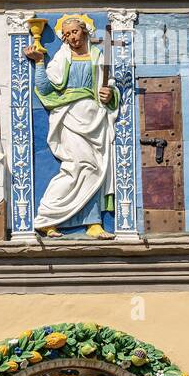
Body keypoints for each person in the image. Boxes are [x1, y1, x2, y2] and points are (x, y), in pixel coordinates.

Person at [24, 14, 118, 239]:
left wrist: (109, 95)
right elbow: (45, 88)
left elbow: (110, 86)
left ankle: (93, 223)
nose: (71, 38)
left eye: (74, 32)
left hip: (95, 120)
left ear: (84, 31)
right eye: (66, 35)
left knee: (96, 170)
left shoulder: (97, 55)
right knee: (77, 167)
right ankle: (47, 217)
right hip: (69, 118)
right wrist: (39, 62)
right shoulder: (62, 56)